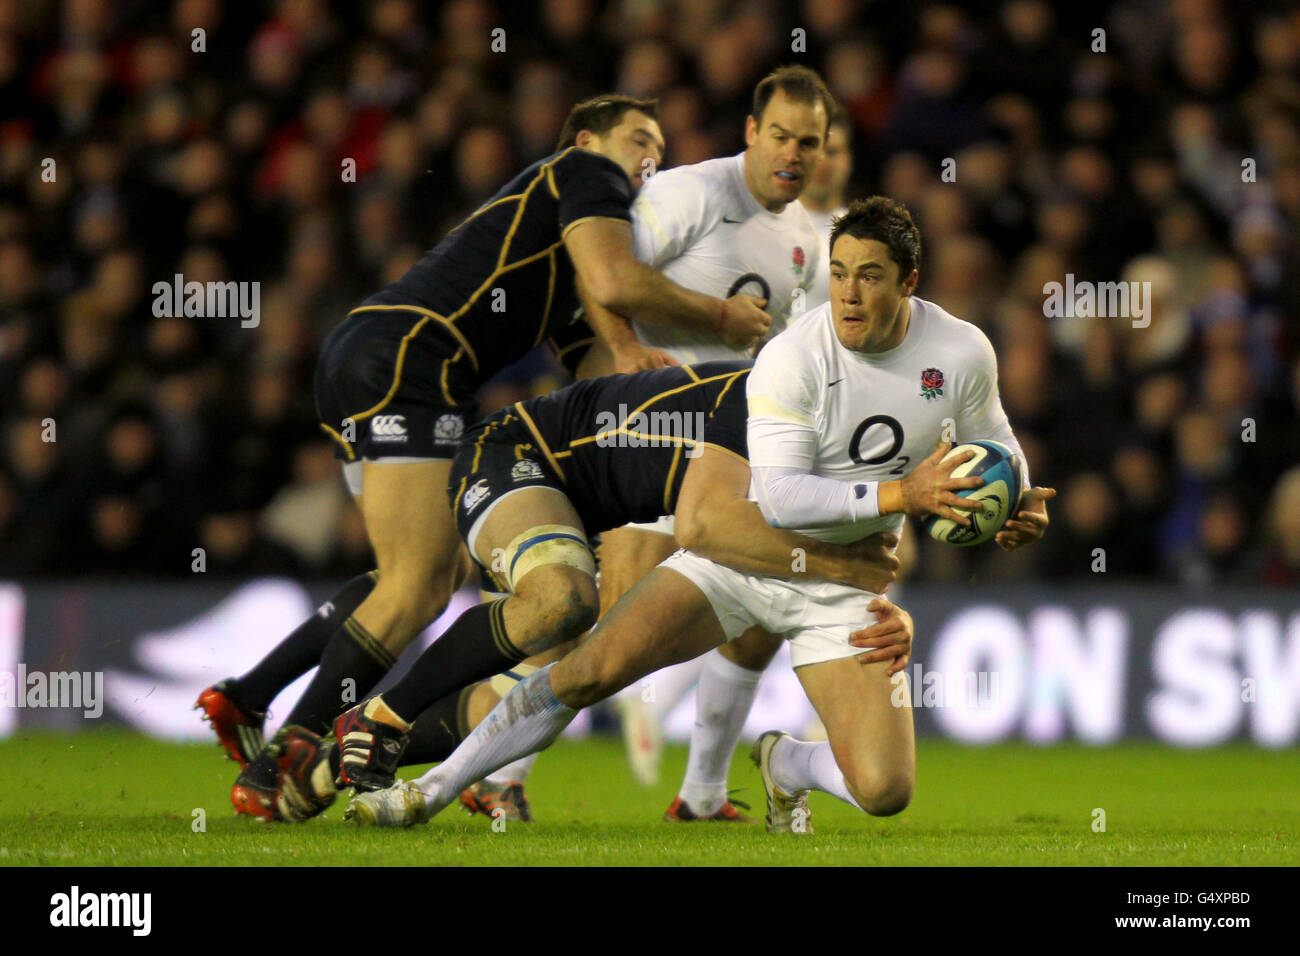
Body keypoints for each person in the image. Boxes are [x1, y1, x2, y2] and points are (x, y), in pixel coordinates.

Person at [345, 197, 1056, 832]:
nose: (849, 293)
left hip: (844, 584)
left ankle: (785, 765)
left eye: (870, 276)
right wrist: (904, 495)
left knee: (885, 790)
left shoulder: (962, 351)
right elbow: (779, 497)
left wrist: (1014, 500)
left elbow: (999, 445)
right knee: (588, 670)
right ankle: (425, 794)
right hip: (747, 557)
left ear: (909, 283)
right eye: (839, 272)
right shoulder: (793, 357)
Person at [195, 94, 771, 819]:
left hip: (368, 353)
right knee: (419, 585)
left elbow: (599, 369)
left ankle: (247, 694)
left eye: (660, 147)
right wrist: (723, 317)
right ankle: (292, 753)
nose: (650, 159)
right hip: (415, 359)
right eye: (637, 140)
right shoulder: (587, 174)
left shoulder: (564, 264)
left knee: (411, 573)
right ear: (588, 139)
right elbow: (616, 282)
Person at [270, 360, 937, 823]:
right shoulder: (760, 403)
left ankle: (318, 769)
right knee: (565, 607)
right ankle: (383, 722)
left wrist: (881, 597)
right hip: (516, 453)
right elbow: (709, 530)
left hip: (599, 508)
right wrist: (850, 572)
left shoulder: (847, 432)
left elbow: (869, 541)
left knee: (557, 667)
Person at [588, 65, 835, 811]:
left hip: (734, 444)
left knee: (762, 610)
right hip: (655, 430)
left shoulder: (808, 238)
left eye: (810, 142)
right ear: (753, 133)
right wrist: (630, 355)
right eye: (781, 135)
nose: (793, 153)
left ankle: (700, 793)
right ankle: (500, 780)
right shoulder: (689, 193)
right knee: (611, 633)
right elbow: (604, 276)